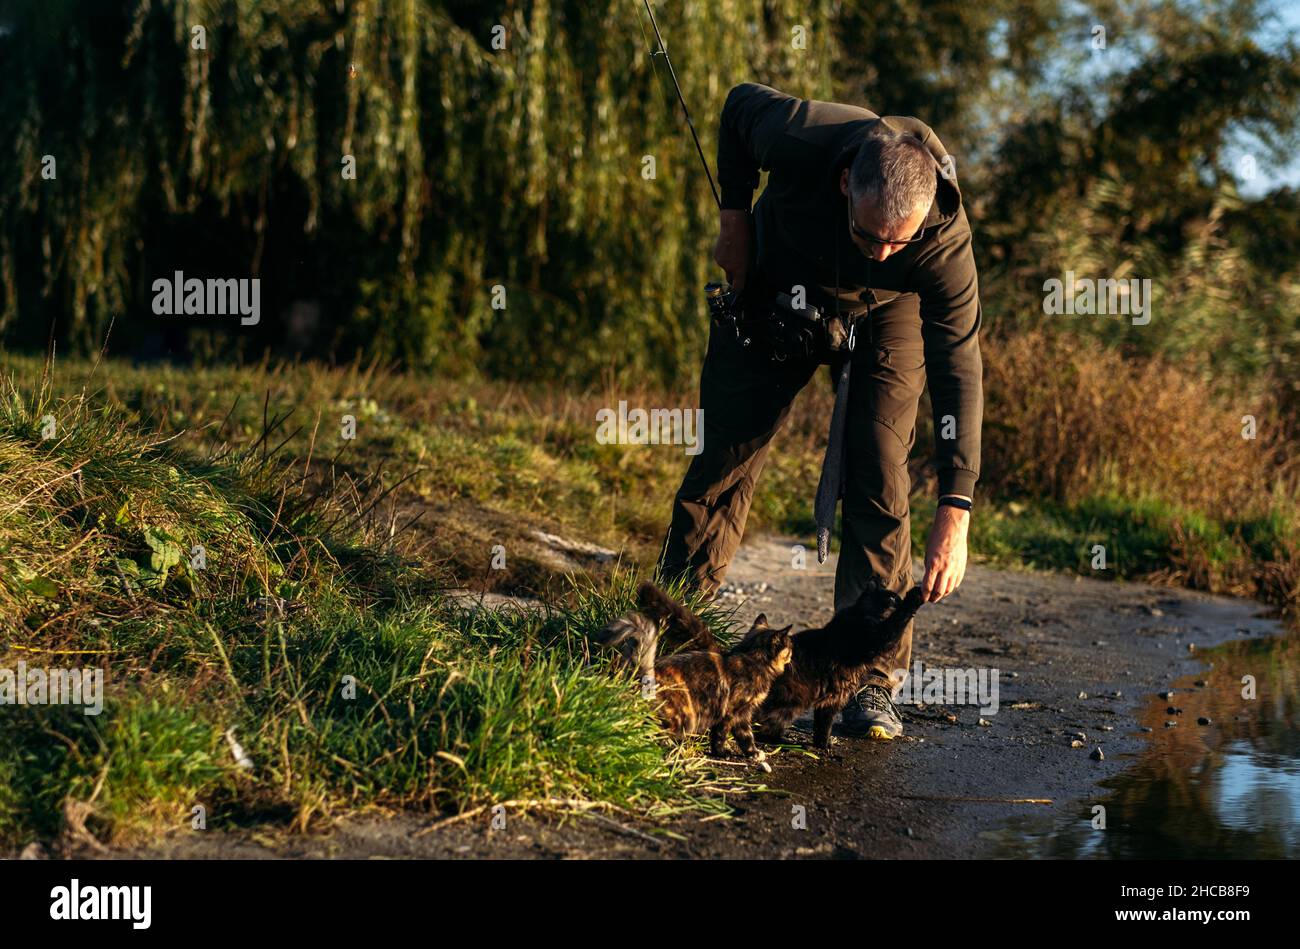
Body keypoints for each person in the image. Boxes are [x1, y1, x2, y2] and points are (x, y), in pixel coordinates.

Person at [659, 82, 983, 740]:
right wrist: (733, 219)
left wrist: (958, 502)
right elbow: (735, 108)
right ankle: (670, 636)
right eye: (872, 236)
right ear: (843, 183)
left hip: (888, 318)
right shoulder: (799, 132)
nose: (886, 251)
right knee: (726, 450)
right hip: (781, 280)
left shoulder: (944, 242)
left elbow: (959, 364)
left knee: (880, 465)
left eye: (902, 242)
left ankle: (869, 679)